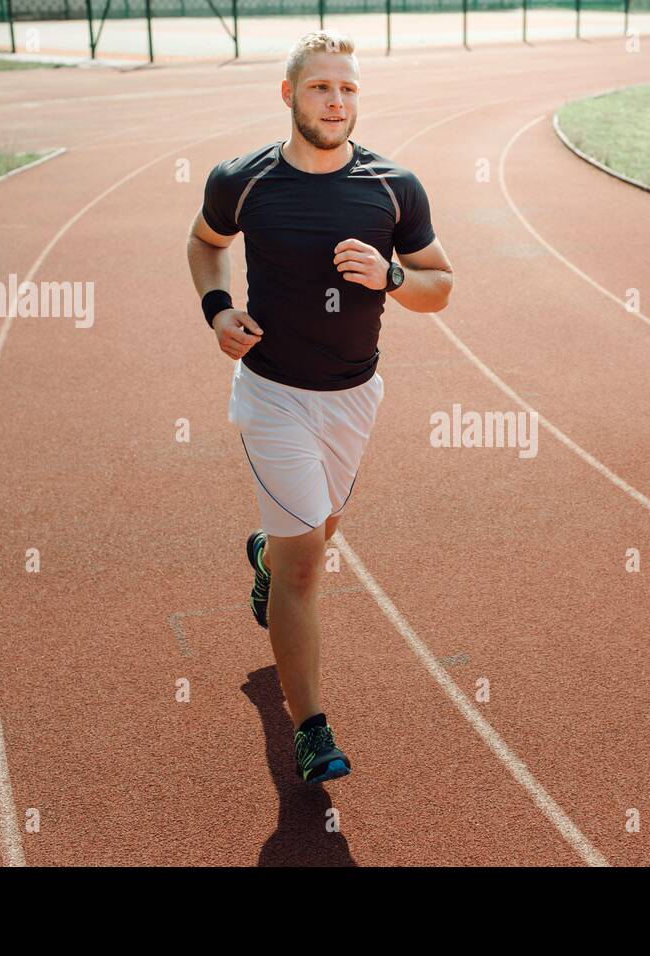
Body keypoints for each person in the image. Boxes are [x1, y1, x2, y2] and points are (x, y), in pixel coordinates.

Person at [186, 31, 454, 784]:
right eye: (320, 88)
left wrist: (392, 275)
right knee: (308, 568)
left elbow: (442, 285)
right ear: (288, 95)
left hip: (354, 397)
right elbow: (205, 244)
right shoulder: (242, 181)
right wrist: (217, 309)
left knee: (317, 532)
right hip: (272, 395)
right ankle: (310, 728)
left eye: (348, 89)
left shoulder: (393, 187)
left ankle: (266, 557)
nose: (336, 102)